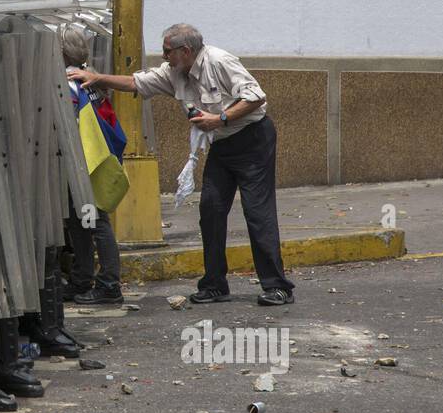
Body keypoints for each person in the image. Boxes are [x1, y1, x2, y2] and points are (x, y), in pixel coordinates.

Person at [67, 23, 295, 307]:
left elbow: (255, 96)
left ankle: (277, 286)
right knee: (210, 210)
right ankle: (214, 285)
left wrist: (219, 119)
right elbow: (136, 83)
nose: (164, 57)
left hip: (253, 140)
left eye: (167, 52)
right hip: (221, 146)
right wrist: (97, 78)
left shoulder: (219, 61)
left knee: (257, 213)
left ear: (185, 51)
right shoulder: (173, 72)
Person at [60, 24, 124, 306]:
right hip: (95, 160)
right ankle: (82, 279)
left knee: (94, 222)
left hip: (81, 162)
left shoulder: (68, 83)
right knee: (80, 222)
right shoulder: (91, 79)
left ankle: (109, 284)